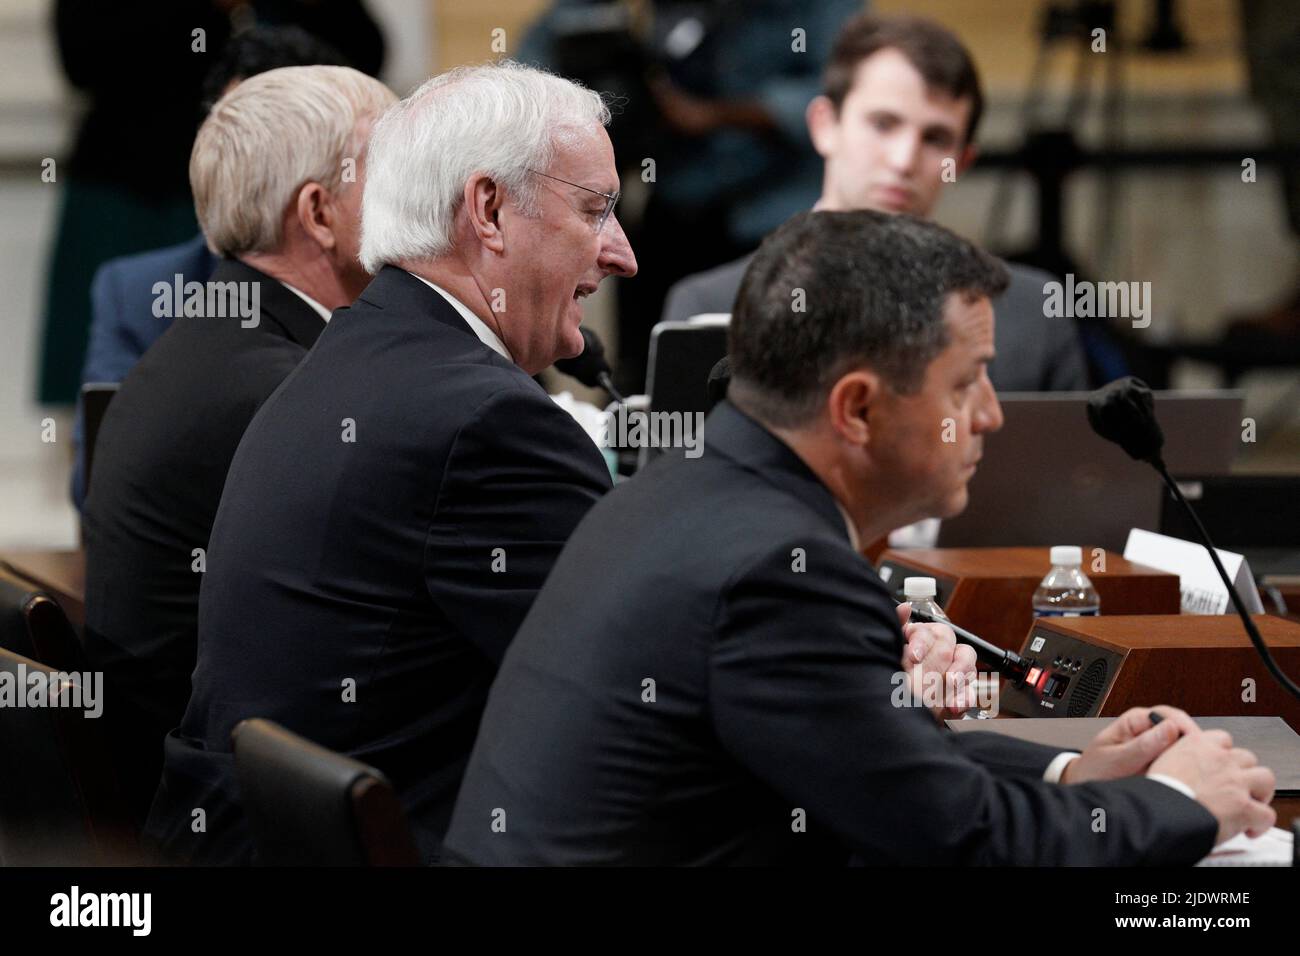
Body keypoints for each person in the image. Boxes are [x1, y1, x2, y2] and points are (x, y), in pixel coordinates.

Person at [443, 210, 1275, 865]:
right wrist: (1179, 803)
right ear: (858, 408)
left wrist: (1069, 769)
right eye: (965, 381)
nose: (989, 414)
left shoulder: (690, 493)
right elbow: (965, 842)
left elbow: (878, 765)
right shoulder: (776, 568)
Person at [146, 61, 637, 864]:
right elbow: (640, 690)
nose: (621, 254)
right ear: (489, 210)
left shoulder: (353, 353)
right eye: (595, 210)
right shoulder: (491, 422)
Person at [82, 65, 395, 825]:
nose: (424, 201)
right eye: (395, 172)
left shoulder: (210, 343)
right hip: (241, 817)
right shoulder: (292, 390)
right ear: (319, 213)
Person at [662, 14, 1089, 392]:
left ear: (961, 161)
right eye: (883, 124)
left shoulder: (1032, 317)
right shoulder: (711, 307)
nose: (903, 160)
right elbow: (681, 480)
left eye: (935, 138)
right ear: (824, 125)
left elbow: (1066, 479)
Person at [71, 25, 354, 510]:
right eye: (235, 131)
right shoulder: (141, 292)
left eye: (278, 136)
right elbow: (94, 484)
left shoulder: (385, 285)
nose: (251, 160)